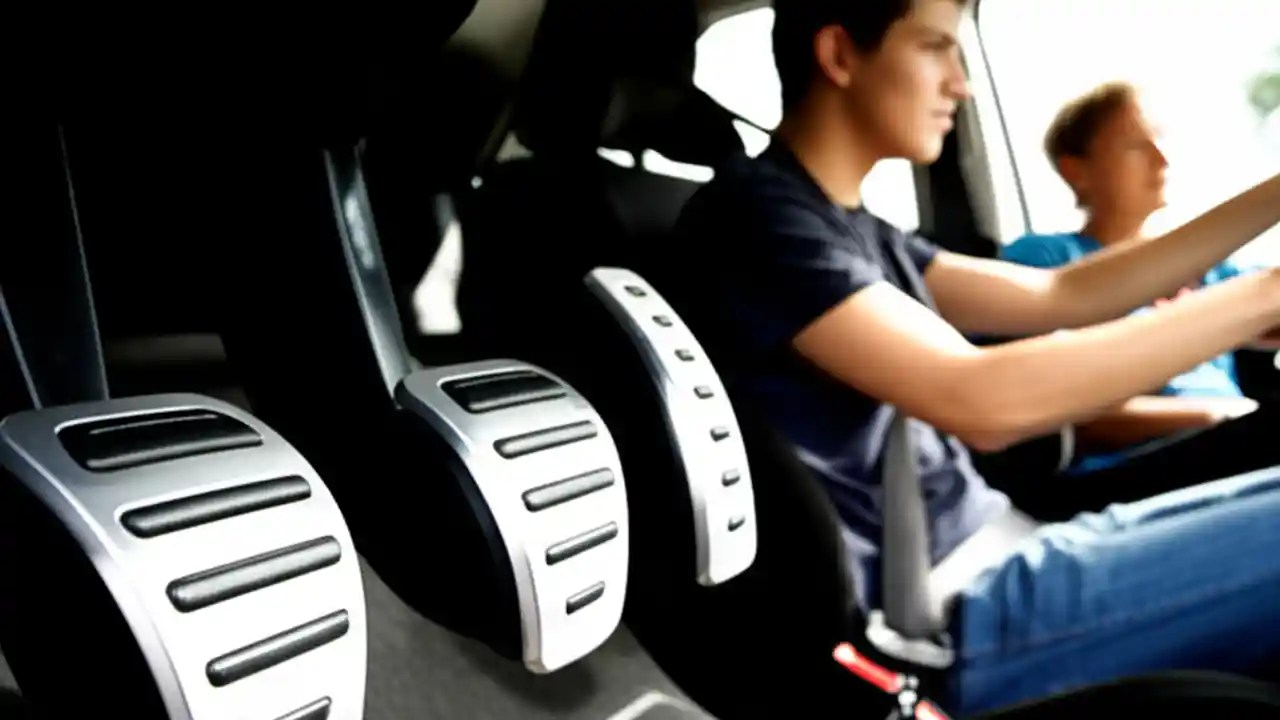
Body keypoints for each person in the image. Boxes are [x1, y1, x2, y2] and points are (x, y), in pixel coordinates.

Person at [667, 0, 1280, 714]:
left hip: (1010, 544)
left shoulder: (857, 231)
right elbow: (980, 401)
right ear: (839, 56)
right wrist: (1262, 298)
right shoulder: (759, 220)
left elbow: (1063, 292)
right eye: (936, 49)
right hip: (952, 615)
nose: (962, 83)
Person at [982, 81, 1280, 517]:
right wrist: (1216, 417)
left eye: (1160, 140)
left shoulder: (1213, 271)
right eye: (1135, 147)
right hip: (1121, 473)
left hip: (1227, 440)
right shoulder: (1045, 260)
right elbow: (1053, 415)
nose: (1162, 159)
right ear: (1075, 170)